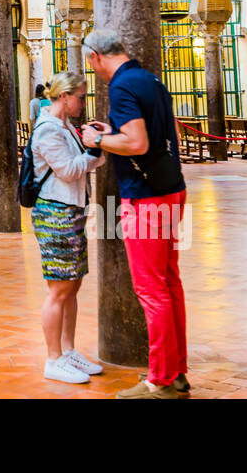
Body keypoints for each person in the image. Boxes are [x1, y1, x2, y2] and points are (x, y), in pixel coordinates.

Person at [80, 29, 189, 399]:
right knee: (170, 284)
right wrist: (113, 131)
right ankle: (175, 371)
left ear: (95, 56)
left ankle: (159, 379)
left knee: (151, 290)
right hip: (172, 189)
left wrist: (97, 140)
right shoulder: (151, 80)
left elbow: (137, 143)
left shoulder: (122, 87)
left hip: (146, 199)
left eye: (89, 62)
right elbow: (163, 132)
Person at [30, 71, 104, 384]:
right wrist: (96, 149)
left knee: (72, 285)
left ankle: (69, 349)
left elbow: (87, 163)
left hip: (71, 211)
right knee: (58, 289)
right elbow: (69, 170)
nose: (83, 103)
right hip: (54, 213)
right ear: (64, 97)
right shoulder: (48, 130)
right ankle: (53, 358)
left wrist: (93, 148)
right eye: (81, 97)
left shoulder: (67, 128)